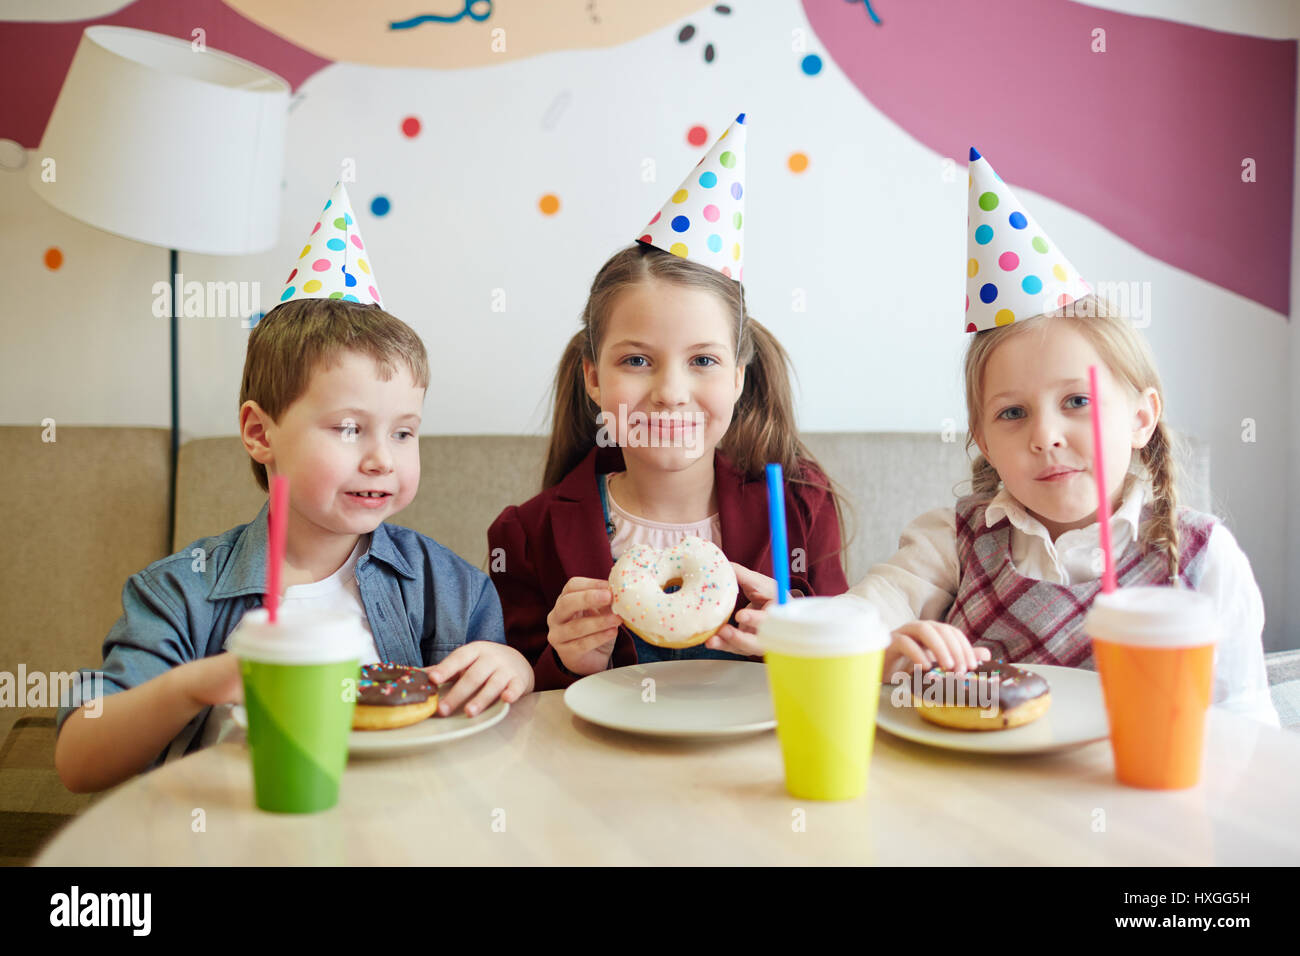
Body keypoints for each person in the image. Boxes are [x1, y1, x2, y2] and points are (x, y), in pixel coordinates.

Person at [55, 183, 533, 793]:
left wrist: (512, 665)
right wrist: (198, 683)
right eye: (350, 428)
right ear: (260, 432)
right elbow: (78, 761)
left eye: (405, 432)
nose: (383, 459)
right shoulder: (179, 593)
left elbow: (506, 747)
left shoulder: (454, 589)